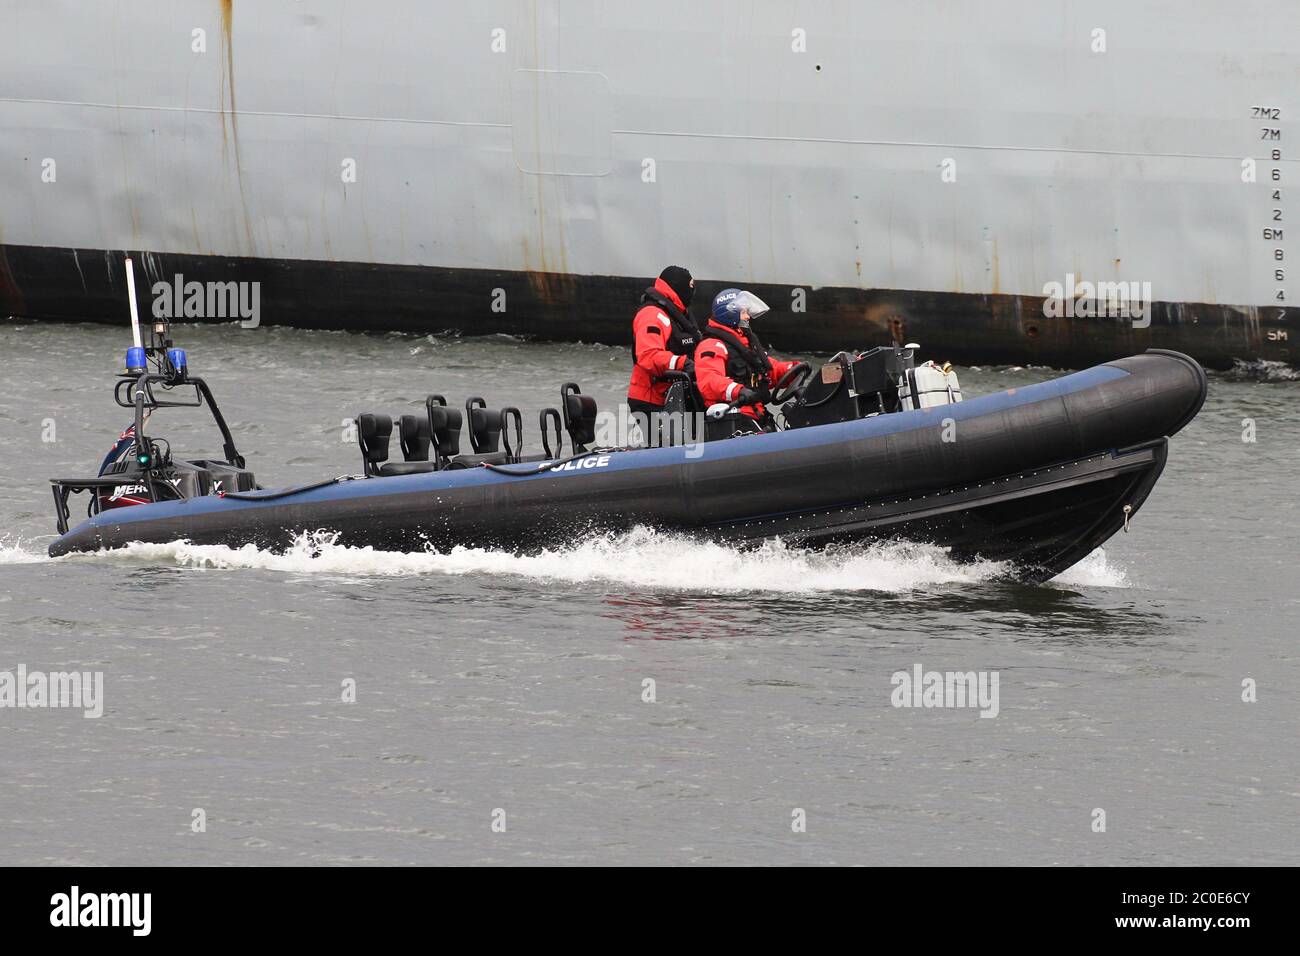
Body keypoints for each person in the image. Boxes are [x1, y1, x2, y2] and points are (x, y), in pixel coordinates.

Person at [693, 288, 799, 430]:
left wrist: (794, 369)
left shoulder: (746, 343)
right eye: (743, 312)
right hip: (735, 418)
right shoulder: (712, 345)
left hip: (758, 414)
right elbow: (709, 381)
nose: (748, 317)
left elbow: (769, 370)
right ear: (730, 314)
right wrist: (739, 390)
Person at [626, 266, 701, 419]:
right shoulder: (652, 315)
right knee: (665, 441)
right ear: (678, 288)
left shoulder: (679, 315)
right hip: (652, 399)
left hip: (677, 396)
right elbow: (649, 356)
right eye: (690, 288)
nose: (692, 294)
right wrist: (684, 363)